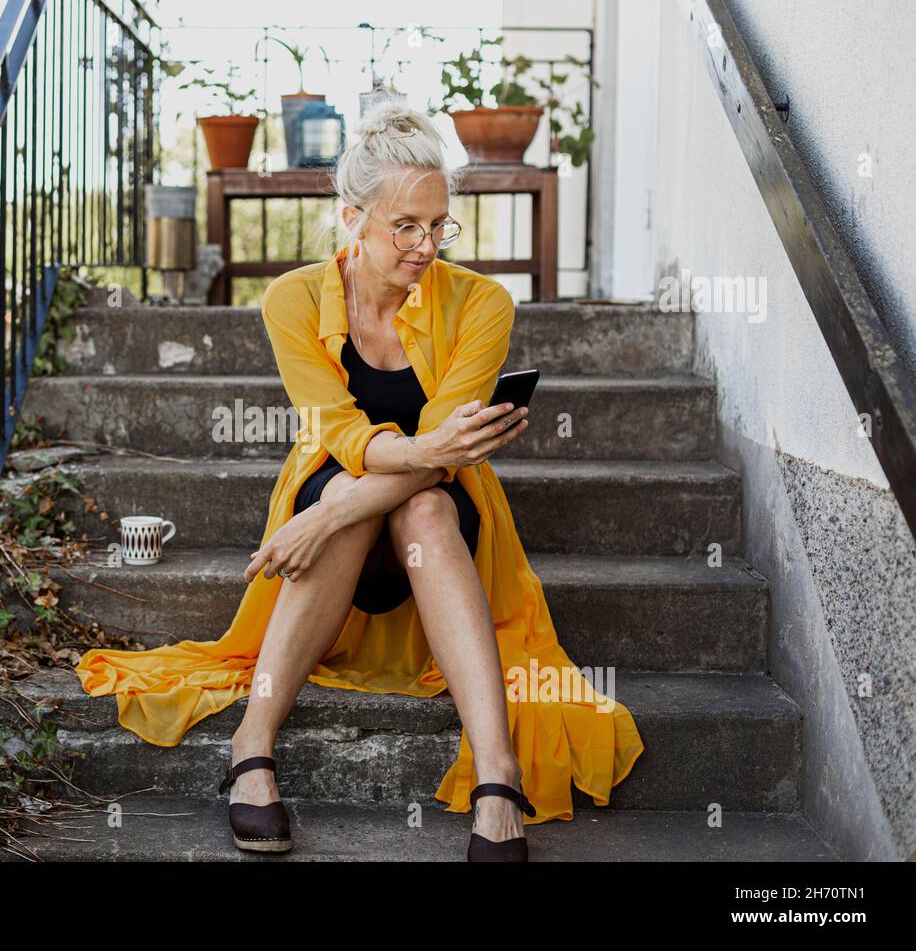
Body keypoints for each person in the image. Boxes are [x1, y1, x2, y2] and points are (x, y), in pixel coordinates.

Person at [74, 100, 644, 861]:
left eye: (440, 224)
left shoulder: (482, 302)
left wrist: (337, 505)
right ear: (353, 218)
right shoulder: (294, 299)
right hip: (336, 498)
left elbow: (445, 455)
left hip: (434, 523)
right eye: (405, 225)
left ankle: (497, 776)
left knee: (427, 509)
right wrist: (344, 495)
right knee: (360, 501)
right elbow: (341, 433)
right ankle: (253, 748)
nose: (427, 244)